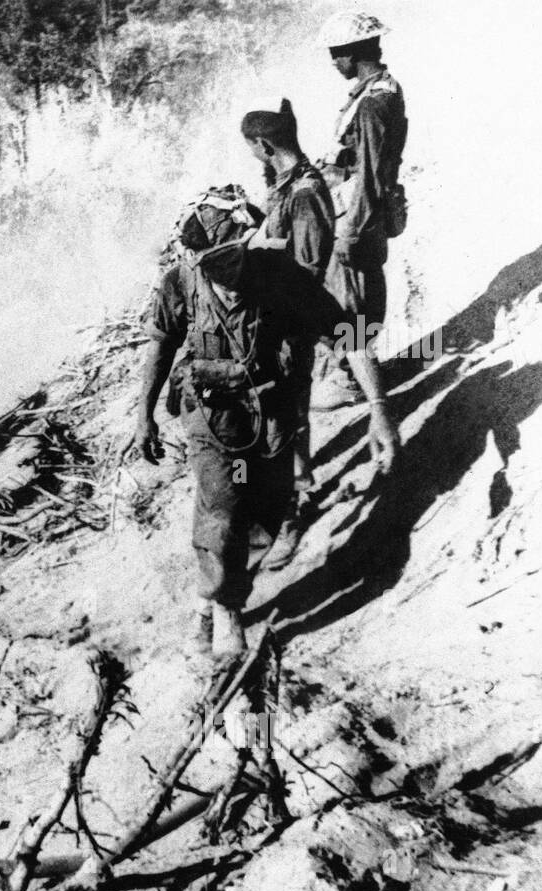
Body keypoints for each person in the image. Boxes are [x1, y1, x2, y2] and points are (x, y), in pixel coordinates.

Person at [136, 187, 399, 659]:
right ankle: (226, 609)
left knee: (268, 510)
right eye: (212, 263)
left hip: (272, 414)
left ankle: (213, 592)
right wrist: (145, 417)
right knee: (223, 504)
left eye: (232, 257)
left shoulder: (281, 277)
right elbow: (161, 347)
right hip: (213, 417)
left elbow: (350, 336)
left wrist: (379, 411)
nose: (226, 271)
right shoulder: (180, 282)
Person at [240, 97, 336, 569]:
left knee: (291, 415)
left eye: (253, 150)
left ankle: (296, 507)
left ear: (263, 144)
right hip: (277, 319)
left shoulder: (303, 192)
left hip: (292, 322)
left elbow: (308, 266)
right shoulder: (286, 185)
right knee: (281, 415)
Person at [314, 10, 409, 410]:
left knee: (349, 297)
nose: (334, 62)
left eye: (337, 53)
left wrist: (352, 228)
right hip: (365, 208)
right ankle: (352, 369)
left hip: (355, 210)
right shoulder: (379, 89)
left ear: (354, 52)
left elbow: (368, 172)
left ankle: (352, 378)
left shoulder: (372, 103)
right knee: (362, 292)